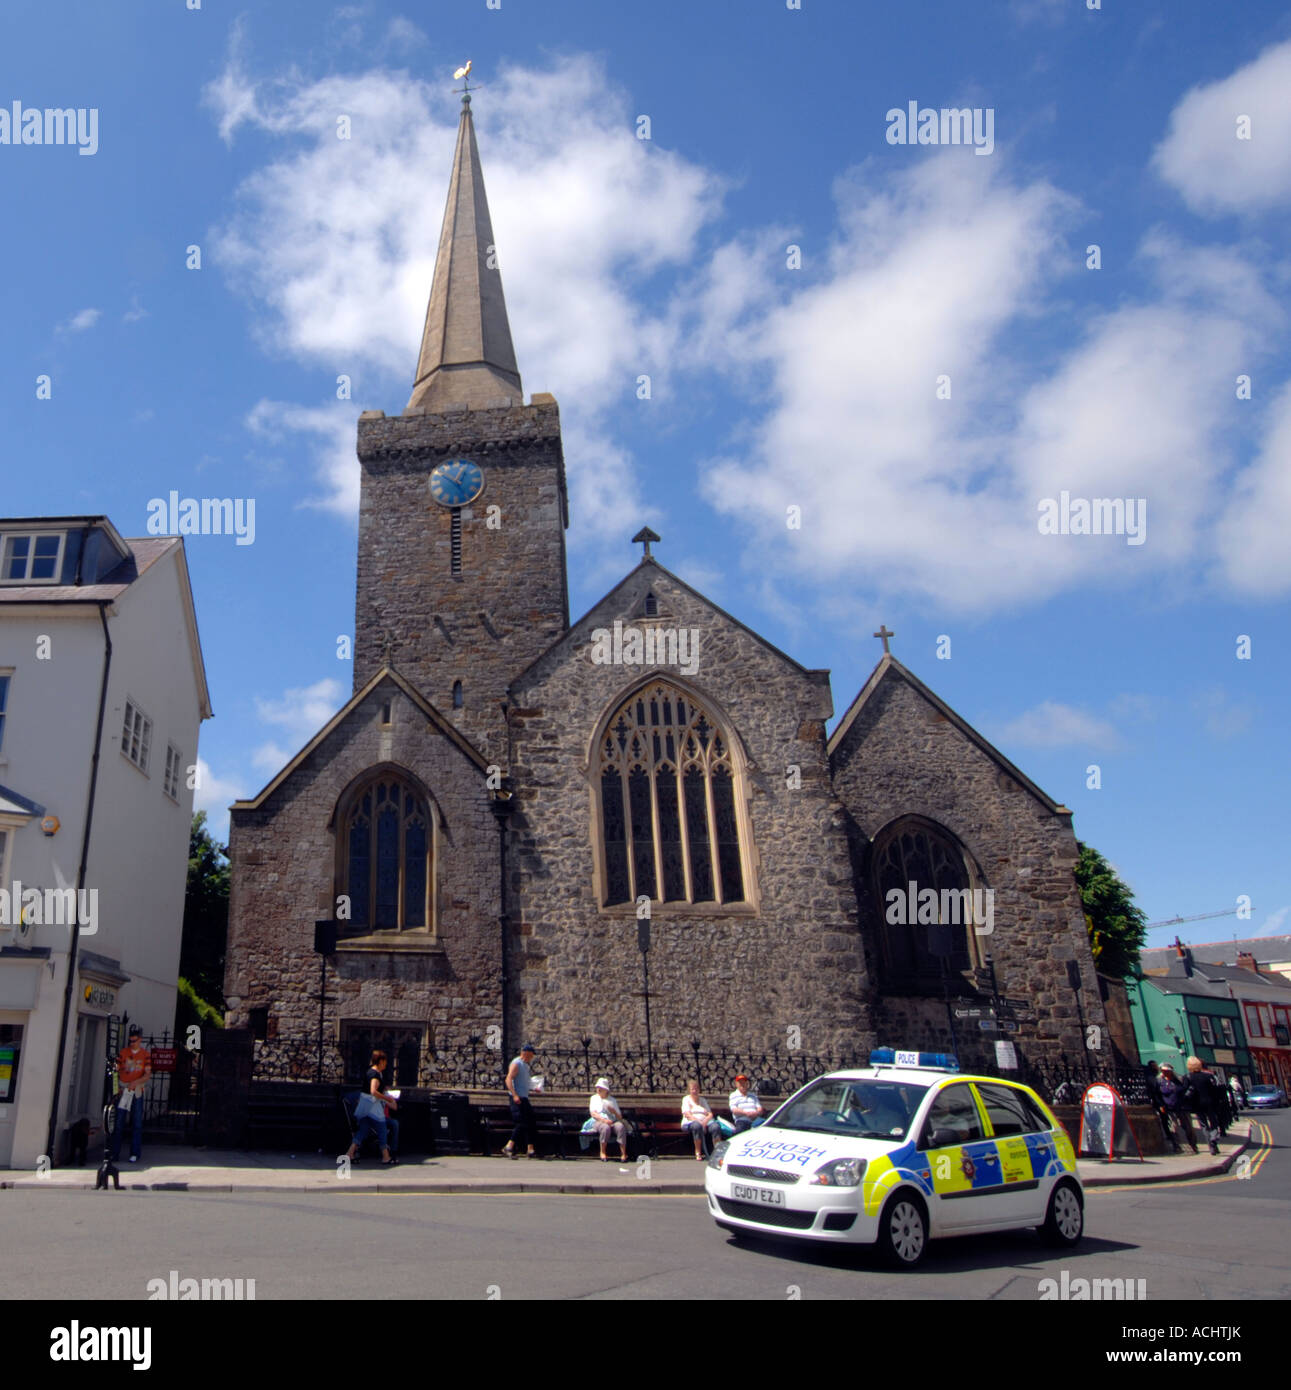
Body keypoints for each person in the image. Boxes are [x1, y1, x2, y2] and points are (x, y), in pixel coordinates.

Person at [345, 1049, 395, 1165]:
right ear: (381, 1061)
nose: (386, 1064)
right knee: (382, 1129)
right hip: (373, 1106)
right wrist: (387, 1098)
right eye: (385, 1061)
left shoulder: (370, 1072)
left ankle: (350, 1153)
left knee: (363, 1129)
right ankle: (385, 1156)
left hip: (365, 1105)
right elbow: (373, 1091)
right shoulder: (375, 1075)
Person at [110, 1025, 151, 1164]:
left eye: (134, 1040)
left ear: (140, 1040)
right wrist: (116, 1089)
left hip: (137, 1091)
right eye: (130, 1041)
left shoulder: (145, 1055)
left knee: (137, 1123)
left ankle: (135, 1153)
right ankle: (114, 1153)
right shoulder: (123, 1053)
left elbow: (147, 1075)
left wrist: (136, 1082)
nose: (132, 1043)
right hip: (124, 1090)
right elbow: (116, 1071)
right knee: (119, 1122)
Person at [503, 1043, 538, 1159]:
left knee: (531, 1121)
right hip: (517, 1098)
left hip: (524, 1097)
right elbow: (508, 1079)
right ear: (526, 1053)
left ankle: (530, 1148)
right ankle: (508, 1147)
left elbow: (525, 1083)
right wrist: (514, 1095)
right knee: (521, 1122)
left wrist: (534, 1088)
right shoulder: (516, 1063)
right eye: (531, 1055)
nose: (531, 1058)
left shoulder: (525, 1066)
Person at [1185, 1056, 1223, 1156]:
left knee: (1204, 1126)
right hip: (1210, 1103)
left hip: (1197, 1105)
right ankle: (1213, 1138)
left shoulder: (1187, 1077)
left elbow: (1185, 1092)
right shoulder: (1208, 1076)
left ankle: (1211, 1146)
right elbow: (1215, 1091)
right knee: (1214, 1123)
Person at [1158, 1064, 1198, 1155]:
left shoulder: (1180, 1079)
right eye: (1163, 1071)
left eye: (1166, 1071)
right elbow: (1159, 1094)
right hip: (1170, 1108)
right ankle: (1176, 1146)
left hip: (1182, 1107)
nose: (1164, 1072)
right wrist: (1161, 1105)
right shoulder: (1160, 1081)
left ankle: (1193, 1144)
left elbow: (1189, 1089)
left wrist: (1186, 1098)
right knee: (1173, 1128)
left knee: (1188, 1127)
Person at [589, 1078, 629, 1162]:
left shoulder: (612, 1100)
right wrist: (604, 1120)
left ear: (606, 1090)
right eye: (597, 1087)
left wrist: (613, 1111)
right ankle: (603, 1152)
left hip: (612, 1121)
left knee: (620, 1127)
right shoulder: (594, 1098)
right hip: (599, 1122)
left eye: (601, 1088)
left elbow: (620, 1117)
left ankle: (623, 1153)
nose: (599, 1089)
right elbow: (593, 1114)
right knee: (605, 1128)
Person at [682, 1080, 722, 1159]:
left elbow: (710, 1114)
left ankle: (718, 1152)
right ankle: (698, 1152)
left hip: (705, 1122)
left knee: (715, 1127)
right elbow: (687, 1114)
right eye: (692, 1089)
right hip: (691, 1122)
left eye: (696, 1089)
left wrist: (705, 1121)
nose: (694, 1091)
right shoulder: (686, 1099)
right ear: (689, 1090)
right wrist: (699, 1121)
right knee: (697, 1126)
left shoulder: (703, 1100)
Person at [1144, 1061, 1174, 1150]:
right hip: (1161, 1102)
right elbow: (1155, 1091)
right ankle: (1170, 1136)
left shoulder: (1155, 1076)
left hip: (1162, 1102)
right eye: (1155, 1066)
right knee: (1165, 1119)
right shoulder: (1155, 1078)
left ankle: (1170, 1135)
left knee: (1166, 1119)